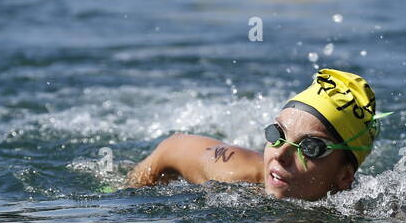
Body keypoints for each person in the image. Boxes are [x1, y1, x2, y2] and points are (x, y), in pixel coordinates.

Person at [127, 68, 391, 201]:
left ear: (344, 176)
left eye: (310, 148)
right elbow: (174, 145)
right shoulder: (234, 174)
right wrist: (128, 191)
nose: (280, 155)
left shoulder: (367, 208)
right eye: (277, 134)